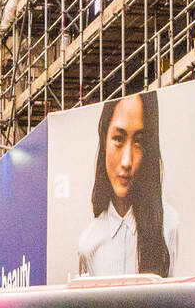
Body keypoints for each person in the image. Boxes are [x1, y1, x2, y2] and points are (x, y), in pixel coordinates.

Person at [76, 93, 180, 278]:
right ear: (104, 141)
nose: (127, 161)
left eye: (138, 142)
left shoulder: (170, 225)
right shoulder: (88, 243)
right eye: (118, 139)